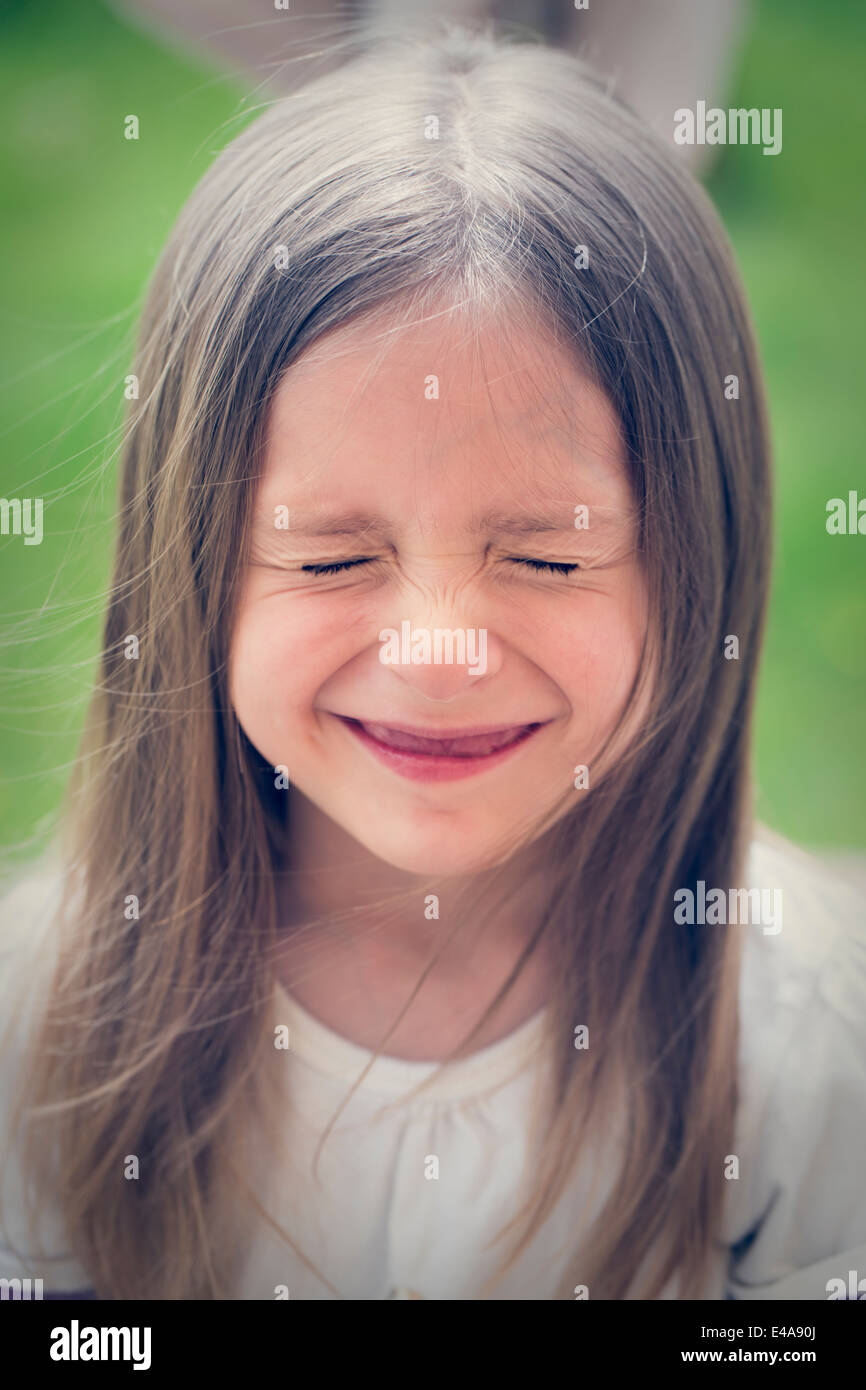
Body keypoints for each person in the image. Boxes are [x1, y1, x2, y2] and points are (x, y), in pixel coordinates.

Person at [1, 25, 864, 1301]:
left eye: (548, 557)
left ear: (699, 561)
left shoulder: (810, 1048)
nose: (437, 652)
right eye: (331, 557)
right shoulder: (40, 1029)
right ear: (189, 570)